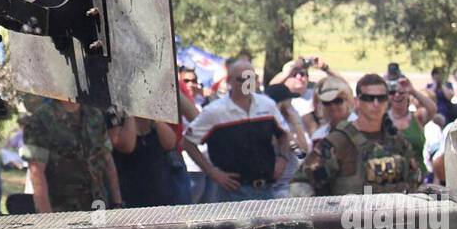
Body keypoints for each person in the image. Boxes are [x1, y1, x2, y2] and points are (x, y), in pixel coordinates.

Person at [182, 57, 291, 202]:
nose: (247, 83)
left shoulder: (267, 106)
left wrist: (282, 159)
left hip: (266, 189)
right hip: (231, 191)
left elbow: (283, 133)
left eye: (251, 78)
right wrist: (211, 172)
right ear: (229, 81)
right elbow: (188, 141)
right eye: (242, 79)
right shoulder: (215, 111)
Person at [308, 74, 423, 195]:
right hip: (347, 212)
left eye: (381, 98)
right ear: (357, 102)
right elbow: (302, 182)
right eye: (369, 98)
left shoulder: (399, 142)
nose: (376, 104)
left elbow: (415, 181)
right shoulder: (337, 142)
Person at [22, 97, 122, 212]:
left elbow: (108, 161)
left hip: (98, 208)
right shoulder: (41, 119)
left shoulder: (94, 115)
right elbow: (37, 172)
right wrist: (47, 220)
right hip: (62, 212)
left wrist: (117, 203)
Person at [108, 114, 179, 207]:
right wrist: (130, 114)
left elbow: (170, 143)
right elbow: (127, 146)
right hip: (131, 193)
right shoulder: (115, 117)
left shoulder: (151, 121)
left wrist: (153, 116)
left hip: (161, 191)